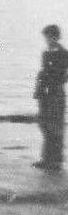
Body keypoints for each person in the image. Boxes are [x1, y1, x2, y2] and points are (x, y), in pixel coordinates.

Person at [34, 24, 67, 172]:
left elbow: (64, 75)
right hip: (45, 93)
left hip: (56, 93)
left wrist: (57, 80)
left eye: (48, 37)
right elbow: (43, 72)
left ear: (54, 36)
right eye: (46, 37)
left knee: (55, 127)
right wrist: (38, 90)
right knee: (45, 125)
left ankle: (56, 162)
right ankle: (46, 159)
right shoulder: (46, 53)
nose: (46, 40)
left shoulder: (64, 53)